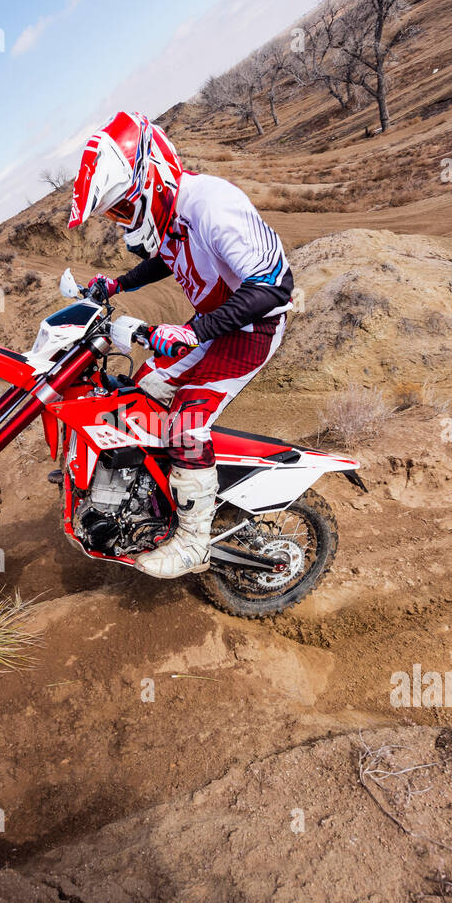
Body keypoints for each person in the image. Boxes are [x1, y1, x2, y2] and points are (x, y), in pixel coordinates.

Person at [68, 110, 293, 579]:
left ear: (151, 179)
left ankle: (193, 542)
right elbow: (167, 254)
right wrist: (118, 284)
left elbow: (274, 288)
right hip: (214, 324)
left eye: (123, 209)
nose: (121, 222)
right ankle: (151, 495)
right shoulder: (169, 210)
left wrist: (193, 333)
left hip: (251, 331)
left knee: (186, 421)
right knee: (144, 386)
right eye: (114, 214)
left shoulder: (213, 206)